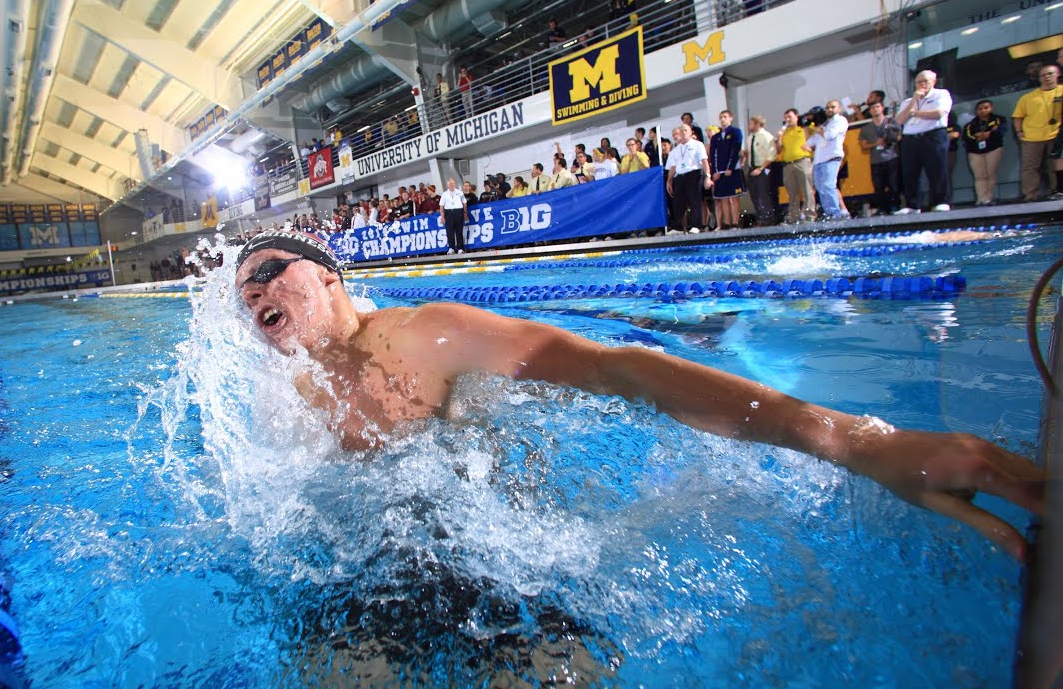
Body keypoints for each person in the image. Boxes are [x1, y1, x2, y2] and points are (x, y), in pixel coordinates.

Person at [234, 231, 1044, 562]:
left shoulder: (429, 334)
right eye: (244, 293)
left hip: (504, 560)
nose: (256, 292)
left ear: (331, 275)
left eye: (270, 270)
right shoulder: (289, 396)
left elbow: (619, 370)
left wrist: (855, 440)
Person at [895, 70, 953, 213]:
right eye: (919, 82)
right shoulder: (908, 101)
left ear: (933, 81)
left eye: (925, 81)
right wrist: (913, 101)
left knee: (937, 170)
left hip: (933, 135)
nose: (922, 84)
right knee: (910, 173)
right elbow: (900, 120)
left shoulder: (941, 94)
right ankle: (912, 205)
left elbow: (938, 113)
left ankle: (941, 201)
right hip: (910, 138)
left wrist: (915, 113)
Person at [1011, 63, 1062, 202]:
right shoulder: (1028, 97)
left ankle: (1056, 192)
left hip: (1056, 135)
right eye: (1043, 75)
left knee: (1054, 166)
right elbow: (1018, 117)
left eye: (1050, 74)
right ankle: (1030, 195)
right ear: (1039, 78)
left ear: (1058, 74)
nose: (1047, 77)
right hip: (1031, 138)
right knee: (1030, 168)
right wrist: (1019, 132)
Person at [805, 100, 850, 220]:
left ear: (839, 109)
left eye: (833, 107)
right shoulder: (825, 124)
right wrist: (806, 127)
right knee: (821, 187)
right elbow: (809, 143)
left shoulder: (841, 120)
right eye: (827, 107)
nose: (829, 109)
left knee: (828, 185)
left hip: (832, 158)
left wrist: (816, 128)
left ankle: (835, 214)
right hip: (819, 160)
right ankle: (828, 213)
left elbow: (830, 135)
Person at [859, 100, 902, 216]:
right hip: (875, 160)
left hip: (891, 157)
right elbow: (863, 146)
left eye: (877, 106)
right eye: (872, 108)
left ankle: (895, 206)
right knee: (878, 186)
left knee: (894, 184)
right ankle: (882, 208)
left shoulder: (891, 122)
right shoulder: (866, 128)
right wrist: (876, 143)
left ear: (882, 108)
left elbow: (899, 136)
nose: (875, 109)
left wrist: (890, 139)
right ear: (870, 111)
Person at [665, 125, 712, 233]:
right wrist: (669, 180)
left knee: (695, 201)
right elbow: (673, 167)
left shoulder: (698, 145)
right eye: (681, 131)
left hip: (694, 174)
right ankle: (678, 227)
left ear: (691, 132)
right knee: (678, 202)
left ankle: (696, 226)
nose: (683, 133)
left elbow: (704, 161)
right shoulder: (675, 150)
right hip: (680, 177)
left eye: (685, 130)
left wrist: (708, 177)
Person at [962, 100, 1007, 207]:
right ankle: (981, 199)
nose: (983, 110)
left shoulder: (998, 119)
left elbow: (1000, 132)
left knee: (990, 174)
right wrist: (983, 135)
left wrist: (988, 134)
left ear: (991, 108)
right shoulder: (971, 124)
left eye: (986, 108)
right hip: (975, 152)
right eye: (980, 109)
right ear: (976, 111)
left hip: (993, 149)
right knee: (979, 176)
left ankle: (988, 198)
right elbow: (967, 137)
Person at [709, 110, 745, 229]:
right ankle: (727, 223)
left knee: (734, 197)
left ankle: (735, 222)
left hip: (733, 170)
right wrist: (715, 171)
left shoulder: (736, 132)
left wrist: (730, 168)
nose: (722, 119)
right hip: (720, 171)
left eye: (725, 117)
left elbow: (736, 150)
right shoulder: (715, 137)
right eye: (721, 117)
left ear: (731, 118)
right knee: (723, 198)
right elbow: (713, 155)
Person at [778, 108, 815, 223]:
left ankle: (809, 215)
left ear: (796, 116)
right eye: (785, 118)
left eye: (789, 117)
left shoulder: (804, 128)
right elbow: (779, 150)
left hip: (802, 161)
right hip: (788, 165)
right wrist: (779, 137)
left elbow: (816, 137)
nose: (787, 119)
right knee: (792, 193)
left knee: (807, 190)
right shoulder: (785, 132)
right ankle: (793, 217)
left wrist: (806, 127)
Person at [741, 115, 777, 225]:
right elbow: (748, 151)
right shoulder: (750, 137)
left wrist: (761, 169)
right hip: (752, 168)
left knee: (763, 193)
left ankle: (768, 218)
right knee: (754, 194)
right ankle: (760, 217)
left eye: (751, 123)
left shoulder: (766, 136)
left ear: (757, 124)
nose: (749, 126)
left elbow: (772, 155)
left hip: (762, 168)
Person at [440, 178, 467, 254]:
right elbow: (441, 206)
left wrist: (465, 212)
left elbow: (464, 203)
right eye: (450, 184)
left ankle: (460, 248)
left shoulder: (460, 193)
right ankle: (451, 247)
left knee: (459, 231)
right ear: (448, 185)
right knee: (450, 231)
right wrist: (442, 216)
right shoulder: (444, 194)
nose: (452, 185)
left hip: (458, 212)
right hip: (449, 213)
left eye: (453, 184)